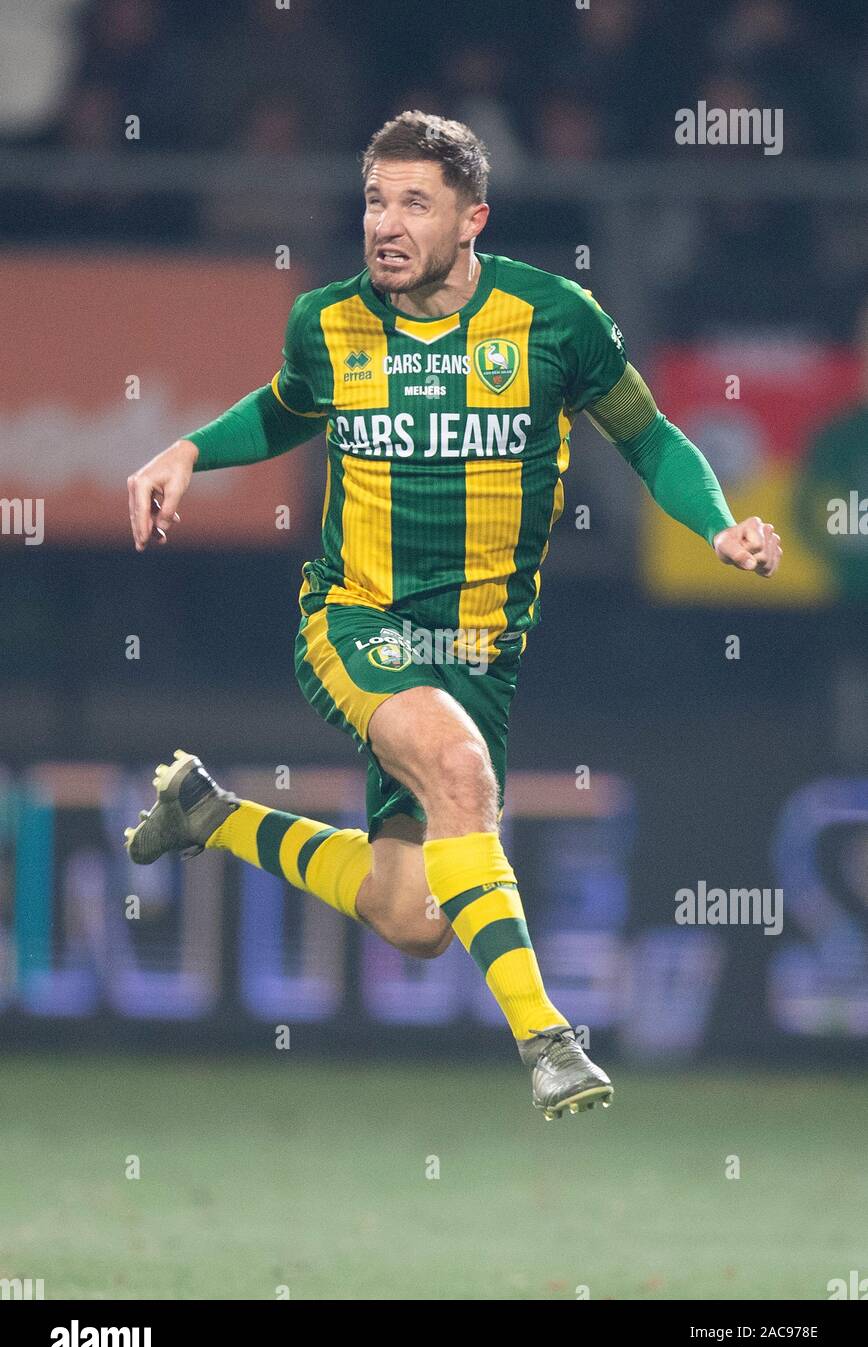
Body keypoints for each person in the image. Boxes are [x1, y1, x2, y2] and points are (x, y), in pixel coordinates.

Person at [125, 112, 782, 1120]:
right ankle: (548, 1039)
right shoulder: (327, 320)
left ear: (473, 218)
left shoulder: (554, 319)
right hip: (355, 618)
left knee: (416, 914)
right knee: (460, 771)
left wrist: (719, 524)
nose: (385, 224)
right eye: (374, 201)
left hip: (478, 654)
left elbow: (649, 440)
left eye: (413, 204)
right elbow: (286, 405)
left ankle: (207, 813)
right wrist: (189, 451)